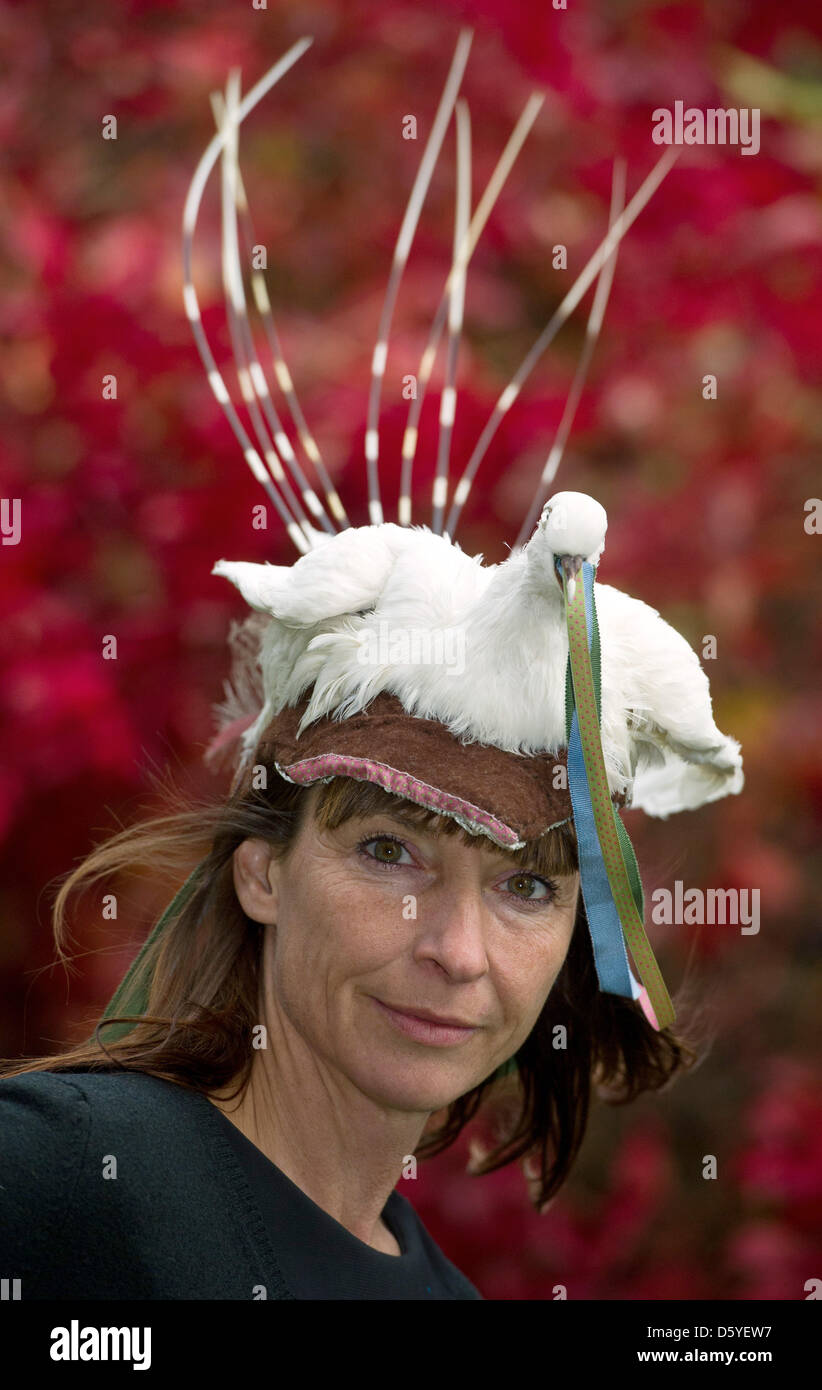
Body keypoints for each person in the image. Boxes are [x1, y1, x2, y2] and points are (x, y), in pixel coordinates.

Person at [0, 32, 742, 1301]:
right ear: (262, 871)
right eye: (389, 852)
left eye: (524, 887)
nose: (457, 950)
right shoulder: (59, 1185)